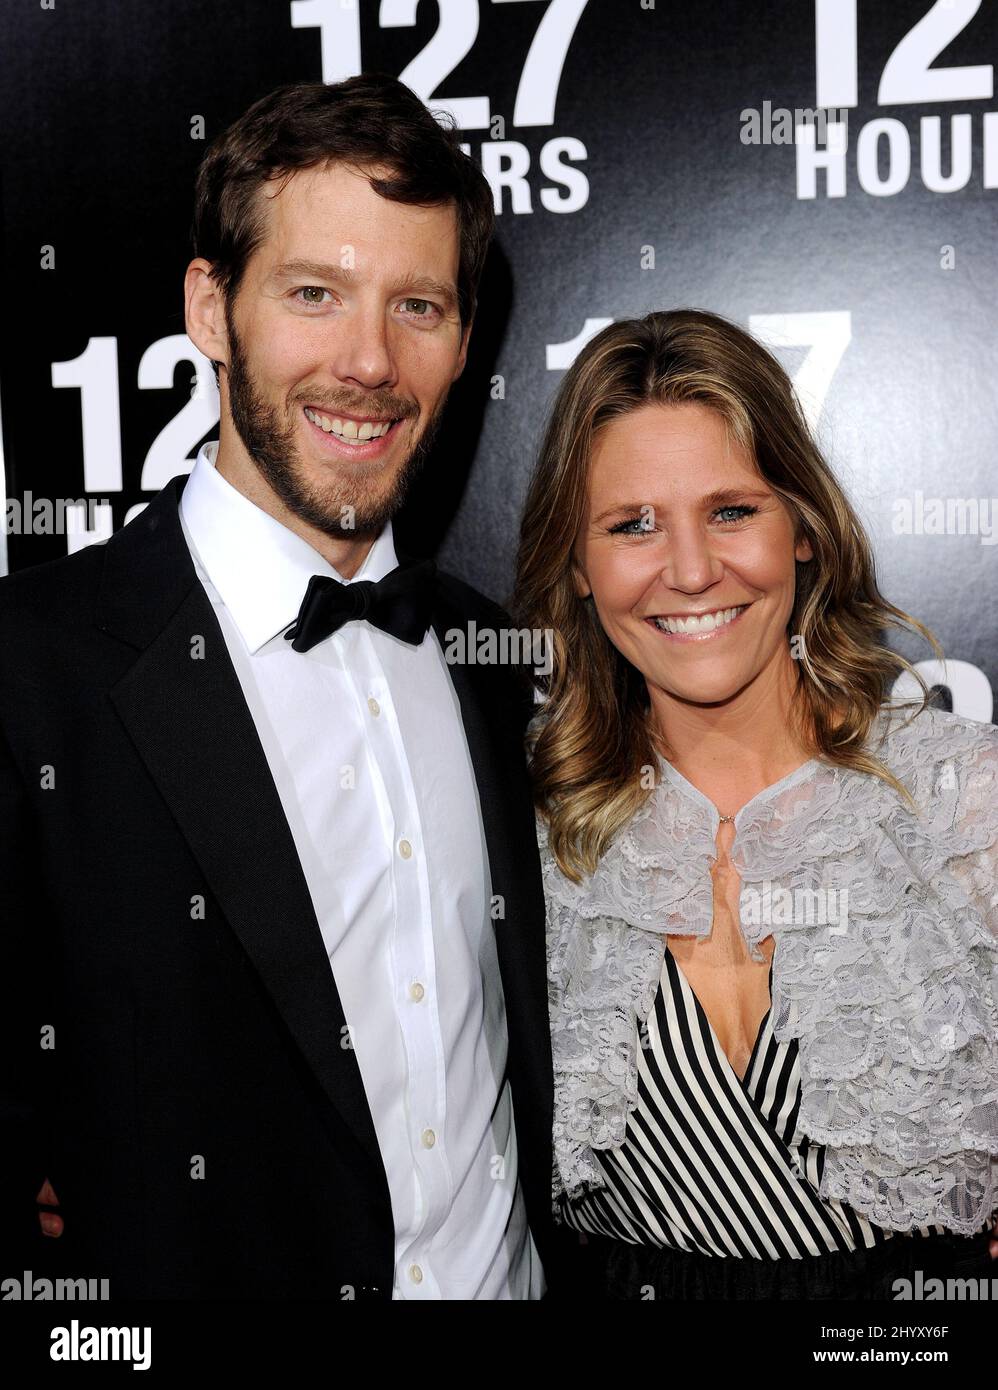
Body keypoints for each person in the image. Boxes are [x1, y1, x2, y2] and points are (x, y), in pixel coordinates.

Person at [0, 75, 562, 1300]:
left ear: (464, 342)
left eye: (416, 305)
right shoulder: (28, 667)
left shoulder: (498, 664)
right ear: (212, 307)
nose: (367, 359)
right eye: (314, 293)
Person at [513, 308, 998, 1299]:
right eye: (630, 525)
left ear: (803, 528)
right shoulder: (522, 826)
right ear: (576, 564)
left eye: (730, 510)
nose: (689, 570)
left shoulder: (958, 796)